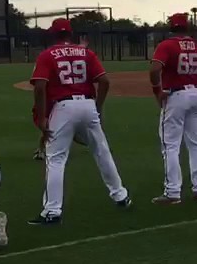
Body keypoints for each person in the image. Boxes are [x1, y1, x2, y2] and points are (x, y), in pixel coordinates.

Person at [28, 18, 130, 225]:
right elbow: (104, 81)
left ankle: (52, 211)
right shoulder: (86, 53)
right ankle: (121, 195)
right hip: (87, 104)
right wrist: (98, 107)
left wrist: (42, 116)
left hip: (63, 107)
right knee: (102, 151)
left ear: (53, 34)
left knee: (56, 159)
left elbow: (39, 87)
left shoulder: (47, 54)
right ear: (70, 33)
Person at [150, 13, 197, 204]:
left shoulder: (167, 45)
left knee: (170, 145)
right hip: (196, 94)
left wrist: (157, 89)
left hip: (175, 95)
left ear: (171, 27)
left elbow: (155, 69)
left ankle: (173, 192)